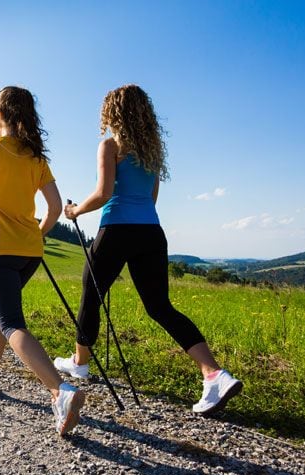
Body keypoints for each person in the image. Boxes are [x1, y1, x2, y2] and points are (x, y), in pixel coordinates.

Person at [55, 84, 242, 415]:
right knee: (160, 307)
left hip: (116, 229)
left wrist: (74, 212)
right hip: (151, 232)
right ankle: (214, 374)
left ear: (112, 113)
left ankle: (80, 363)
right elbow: (151, 198)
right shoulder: (152, 151)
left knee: (90, 294)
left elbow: (102, 193)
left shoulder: (110, 146)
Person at [0, 86, 85, 435]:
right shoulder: (37, 158)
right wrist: (38, 232)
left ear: (0, 114)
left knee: (11, 323)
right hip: (30, 251)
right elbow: (54, 208)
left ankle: (61, 391)